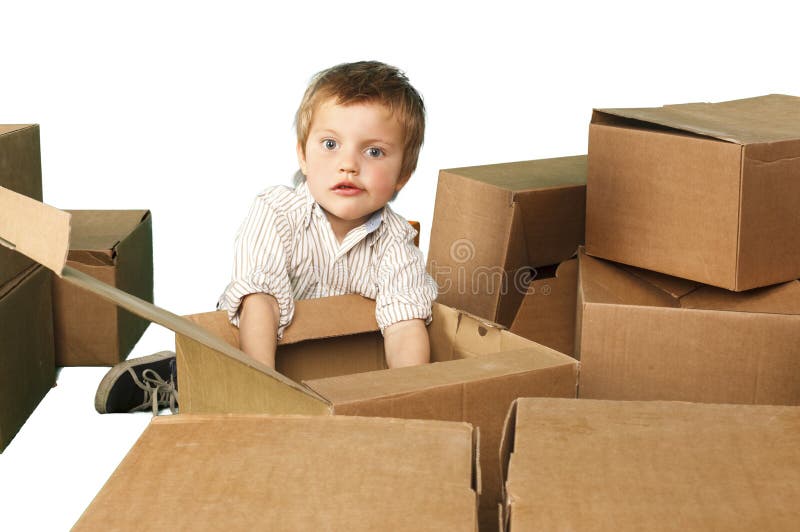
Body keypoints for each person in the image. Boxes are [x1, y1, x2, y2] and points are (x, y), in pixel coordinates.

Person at [95, 60, 437, 413]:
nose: (348, 164)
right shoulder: (277, 213)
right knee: (221, 382)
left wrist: (408, 403)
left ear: (403, 175)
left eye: (374, 151)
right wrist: (261, 396)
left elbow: (404, 326)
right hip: (256, 349)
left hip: (333, 366)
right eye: (331, 144)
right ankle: (179, 375)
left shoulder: (395, 241)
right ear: (303, 155)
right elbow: (259, 300)